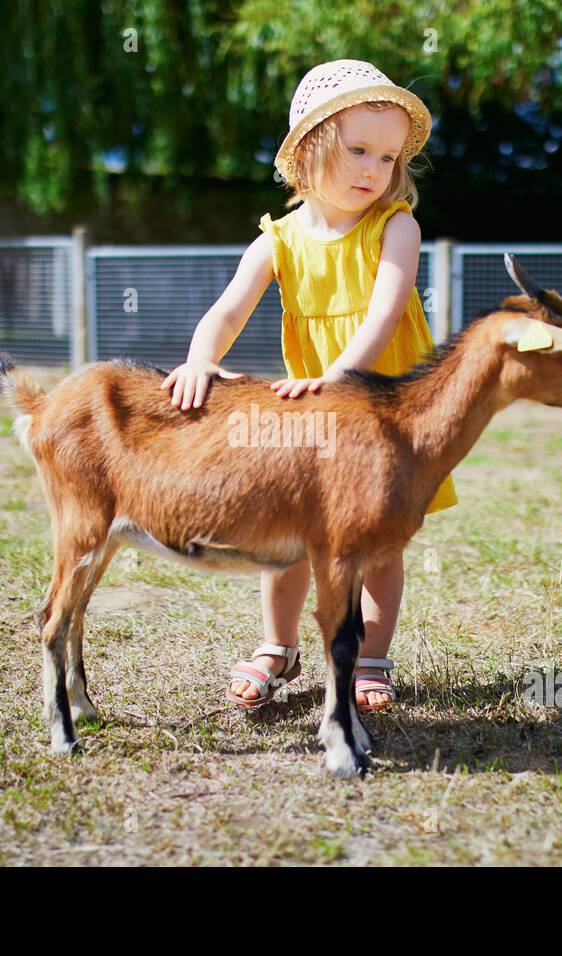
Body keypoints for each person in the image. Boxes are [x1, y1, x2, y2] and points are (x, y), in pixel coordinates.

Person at [160, 59, 457, 714]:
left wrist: (342, 374)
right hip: (315, 410)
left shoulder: (395, 226)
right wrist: (202, 359)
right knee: (286, 537)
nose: (373, 169)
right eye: (358, 150)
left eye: (386, 156)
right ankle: (277, 646)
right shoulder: (281, 239)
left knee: (377, 544)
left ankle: (369, 657)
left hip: (382, 407)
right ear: (309, 149)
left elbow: (386, 310)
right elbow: (230, 308)